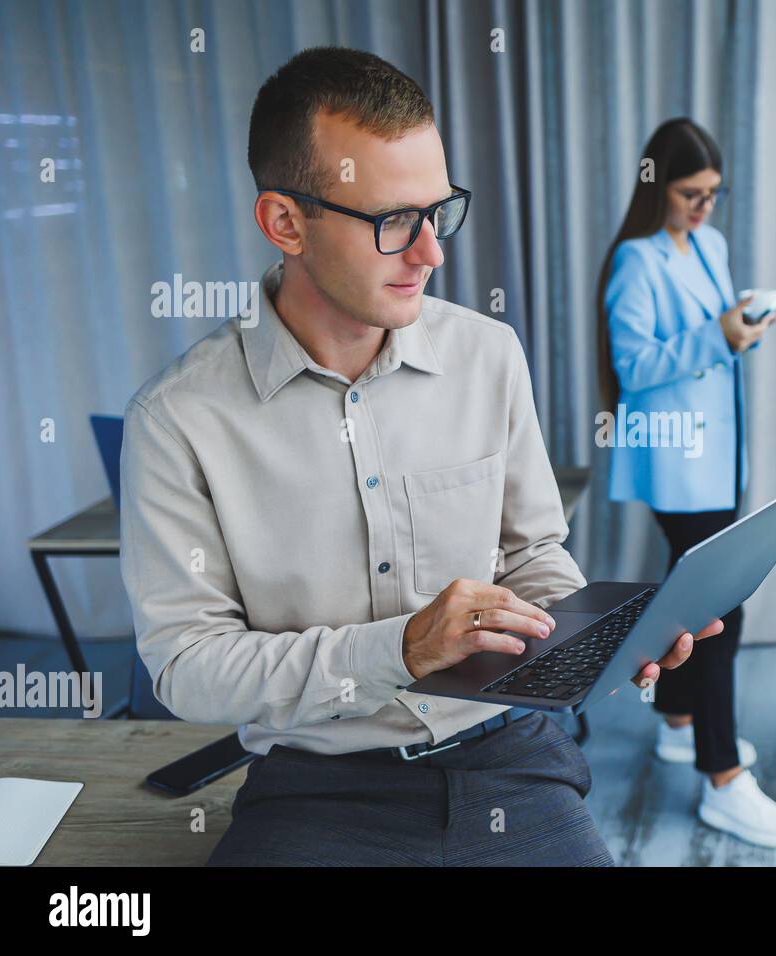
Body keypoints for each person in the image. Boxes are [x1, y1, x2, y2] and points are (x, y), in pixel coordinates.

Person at [120, 47, 722, 867]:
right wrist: (398, 649)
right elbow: (187, 668)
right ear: (285, 222)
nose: (432, 253)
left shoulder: (489, 355)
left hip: (509, 757)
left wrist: (604, 640)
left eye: (438, 212)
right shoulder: (178, 417)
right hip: (314, 786)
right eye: (393, 220)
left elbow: (533, 556)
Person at [595, 118, 776, 848]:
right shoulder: (635, 261)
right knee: (722, 609)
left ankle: (679, 725)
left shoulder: (708, 244)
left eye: (714, 194)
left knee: (702, 601)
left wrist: (741, 324)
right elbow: (635, 366)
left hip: (720, 453)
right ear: (658, 188)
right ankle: (722, 780)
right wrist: (720, 335)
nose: (705, 208)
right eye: (691, 194)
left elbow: (716, 329)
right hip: (676, 459)